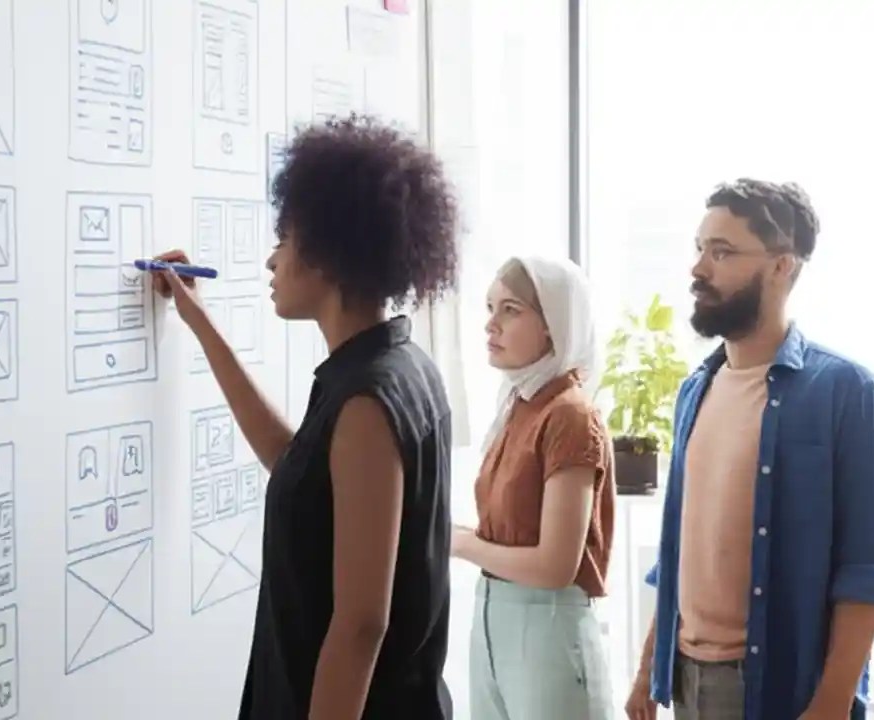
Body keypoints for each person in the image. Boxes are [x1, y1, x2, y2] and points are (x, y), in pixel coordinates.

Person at [153, 114, 460, 719]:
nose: (272, 261)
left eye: (285, 238)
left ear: (328, 252)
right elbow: (294, 464)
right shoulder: (387, 368)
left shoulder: (369, 400)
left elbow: (360, 625)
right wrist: (199, 321)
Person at [624, 179, 874, 720]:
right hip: (686, 679)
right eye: (700, 248)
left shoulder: (848, 393)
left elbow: (869, 572)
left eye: (722, 252)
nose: (698, 268)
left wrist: (831, 706)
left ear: (782, 265)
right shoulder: (694, 391)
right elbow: (678, 549)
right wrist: (646, 672)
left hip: (779, 688)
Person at [451, 255, 617, 720]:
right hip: (493, 623)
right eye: (489, 307)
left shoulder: (569, 414)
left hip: (548, 627)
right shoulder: (518, 406)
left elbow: (555, 566)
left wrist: (462, 544)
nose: (491, 324)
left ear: (553, 325)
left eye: (511, 309)